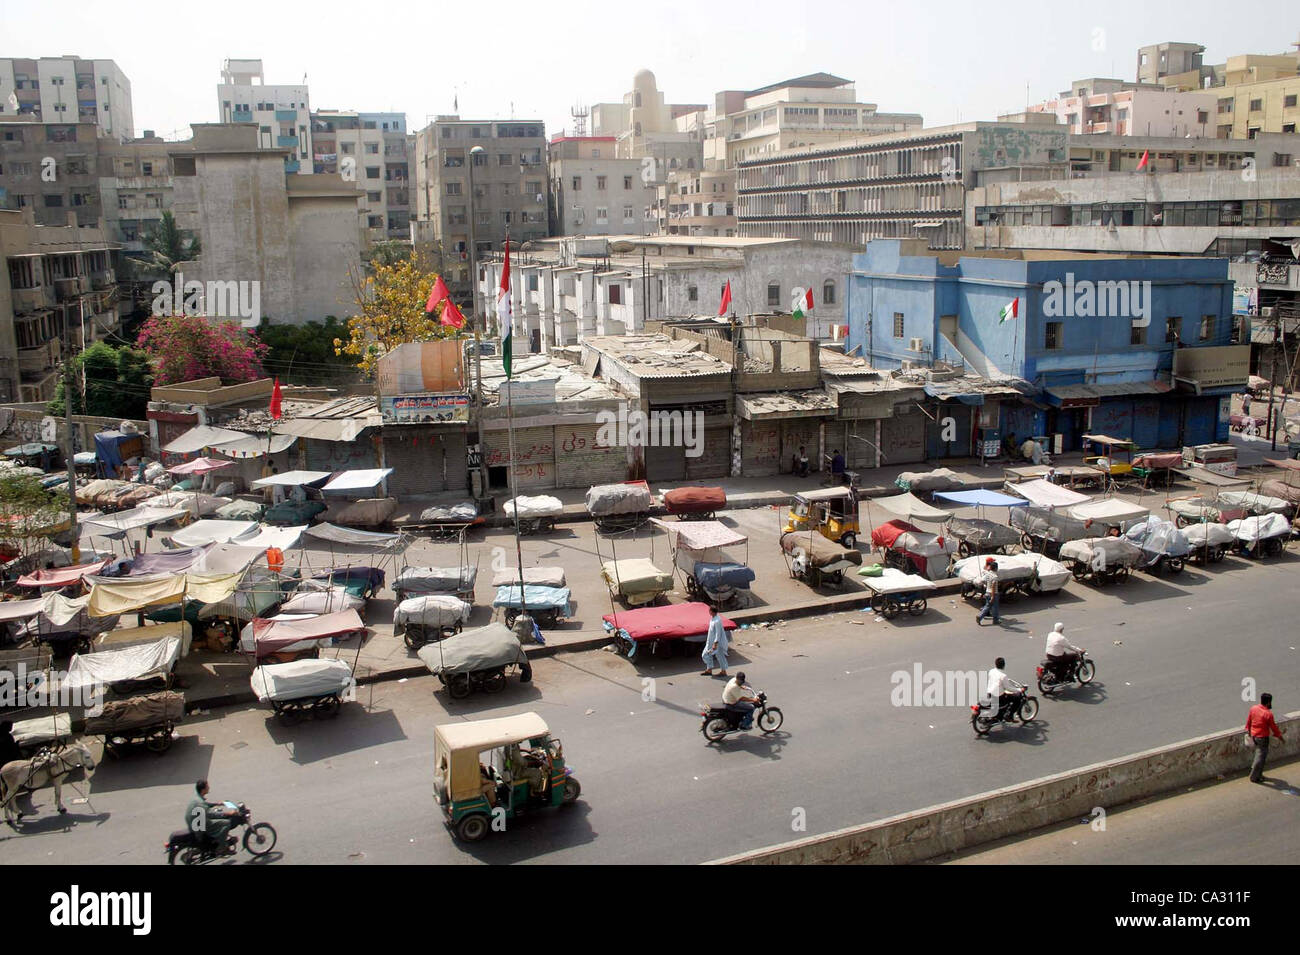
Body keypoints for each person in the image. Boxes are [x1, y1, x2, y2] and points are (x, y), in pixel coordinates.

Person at [185, 779, 239, 853]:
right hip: (200, 826)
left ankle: (217, 839)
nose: (209, 787)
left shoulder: (197, 797)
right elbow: (211, 814)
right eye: (207, 787)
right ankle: (222, 847)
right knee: (226, 823)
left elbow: (205, 804)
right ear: (203, 789)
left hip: (193, 822)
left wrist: (217, 803)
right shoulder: (200, 803)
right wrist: (229, 813)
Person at [1246, 693, 1284, 783]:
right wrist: (1280, 738)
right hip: (1262, 738)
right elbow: (1274, 728)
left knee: (1258, 755)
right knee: (1261, 757)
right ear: (1268, 702)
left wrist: (1249, 733)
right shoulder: (1268, 714)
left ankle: (1258, 774)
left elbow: (1249, 722)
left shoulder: (1253, 708)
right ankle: (1254, 777)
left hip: (1254, 736)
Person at [700, 605, 729, 678]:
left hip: (716, 643)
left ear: (712, 612)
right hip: (710, 642)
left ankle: (723, 671)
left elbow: (718, 633)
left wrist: (715, 643)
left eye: (709, 610)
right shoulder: (713, 618)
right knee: (707, 655)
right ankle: (709, 669)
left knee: (719, 656)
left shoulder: (717, 620)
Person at [976, 557, 1000, 625]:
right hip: (993, 594)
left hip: (987, 592)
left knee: (987, 606)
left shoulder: (988, 574)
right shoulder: (995, 577)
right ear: (996, 568)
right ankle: (995, 620)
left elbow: (983, 581)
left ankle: (980, 617)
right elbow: (993, 587)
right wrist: (992, 596)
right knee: (995, 608)